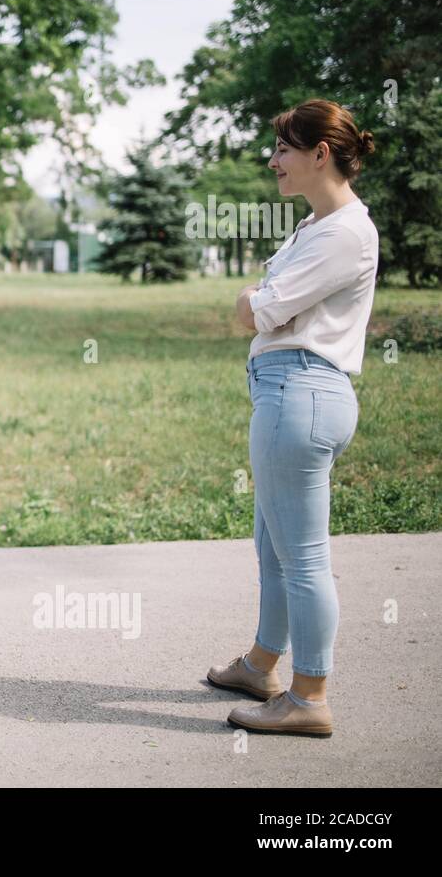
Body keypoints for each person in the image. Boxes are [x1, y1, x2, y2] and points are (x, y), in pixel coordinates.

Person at [210, 99, 378, 737]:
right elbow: (262, 304)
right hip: (291, 392)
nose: (273, 159)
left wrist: (253, 298)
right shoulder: (316, 226)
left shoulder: (343, 233)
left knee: (301, 556)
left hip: (301, 393)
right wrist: (258, 299)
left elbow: (255, 311)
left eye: (284, 148)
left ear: (320, 154)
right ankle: (262, 666)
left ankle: (308, 699)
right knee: (274, 548)